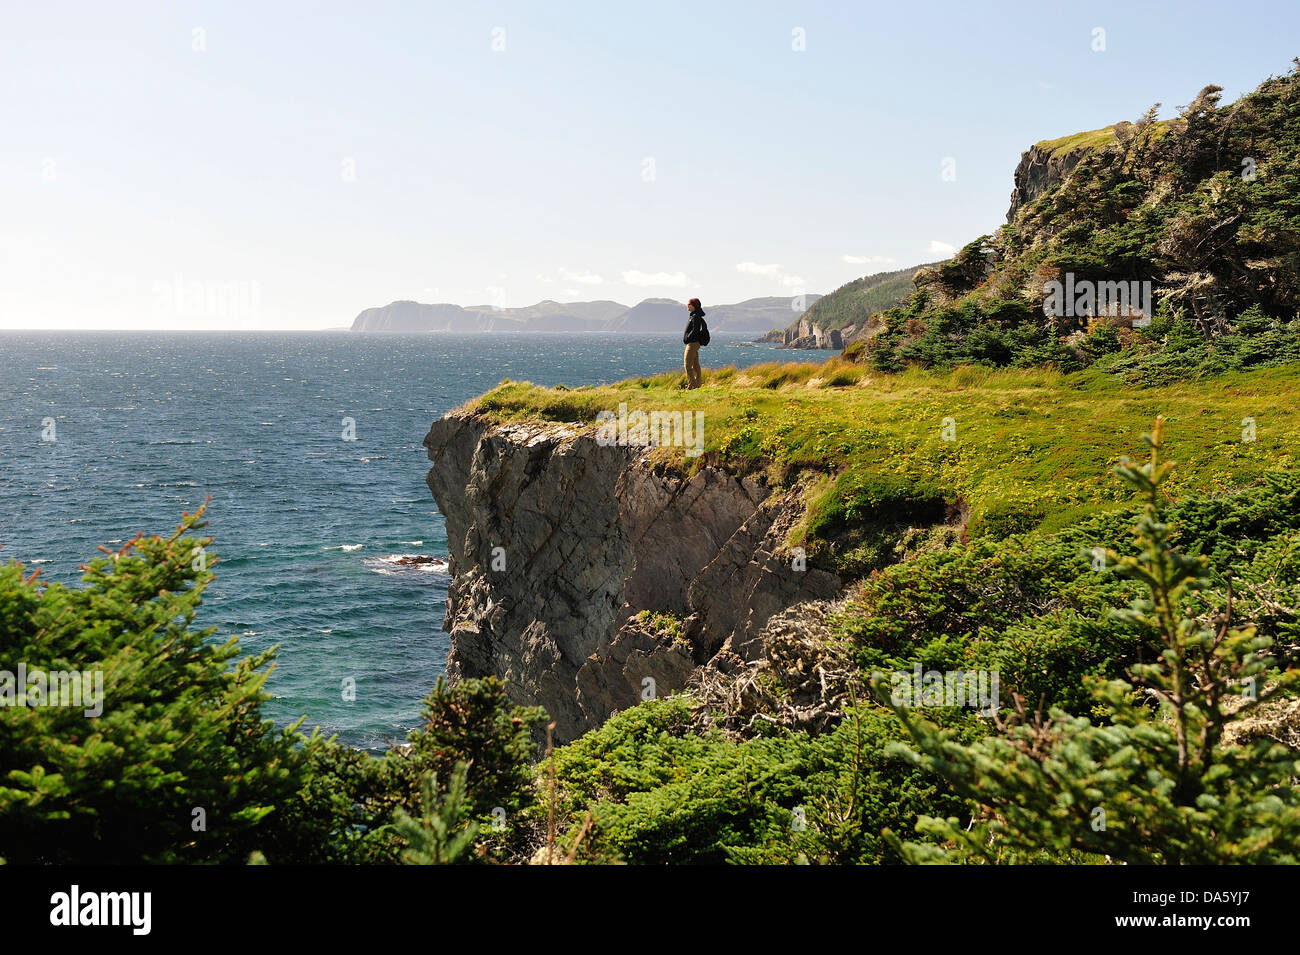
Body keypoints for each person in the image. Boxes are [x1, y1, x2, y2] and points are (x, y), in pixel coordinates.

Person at [682, 298, 709, 389]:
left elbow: (695, 330)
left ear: (694, 306)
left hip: (692, 344)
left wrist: (689, 338)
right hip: (694, 343)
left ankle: (692, 386)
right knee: (695, 364)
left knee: (687, 365)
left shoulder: (695, 316)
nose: (687, 306)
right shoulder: (694, 315)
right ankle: (698, 384)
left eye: (689, 304)